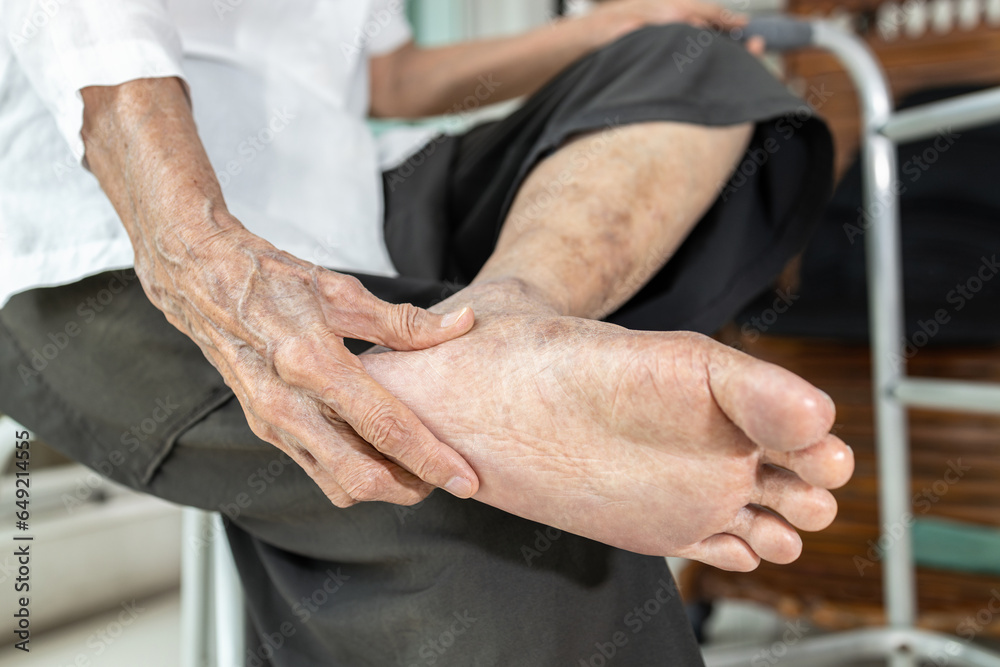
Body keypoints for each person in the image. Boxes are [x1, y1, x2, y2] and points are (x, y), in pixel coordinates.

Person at [0, 0, 852, 664]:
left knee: (692, 64)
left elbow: (387, 77)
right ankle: (479, 383)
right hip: (100, 226)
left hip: (357, 206)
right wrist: (192, 241)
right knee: (495, 497)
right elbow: (92, 28)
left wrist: (608, 28)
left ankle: (512, 316)